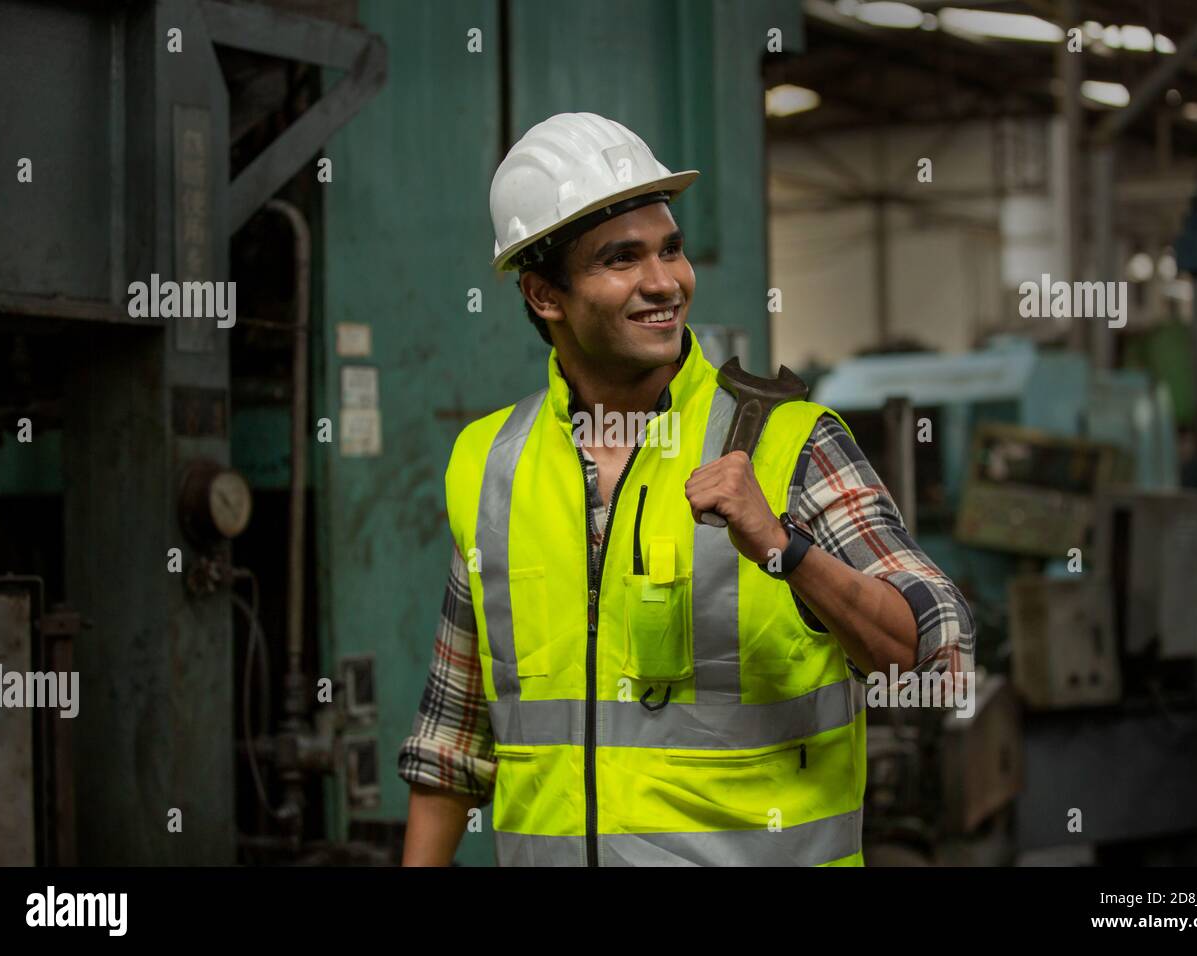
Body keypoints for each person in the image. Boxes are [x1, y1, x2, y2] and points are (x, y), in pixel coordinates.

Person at [400, 112, 974, 866]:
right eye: (622, 259)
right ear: (545, 295)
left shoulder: (788, 442)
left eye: (671, 249)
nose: (664, 282)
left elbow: (940, 662)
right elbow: (453, 740)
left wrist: (785, 548)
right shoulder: (491, 463)